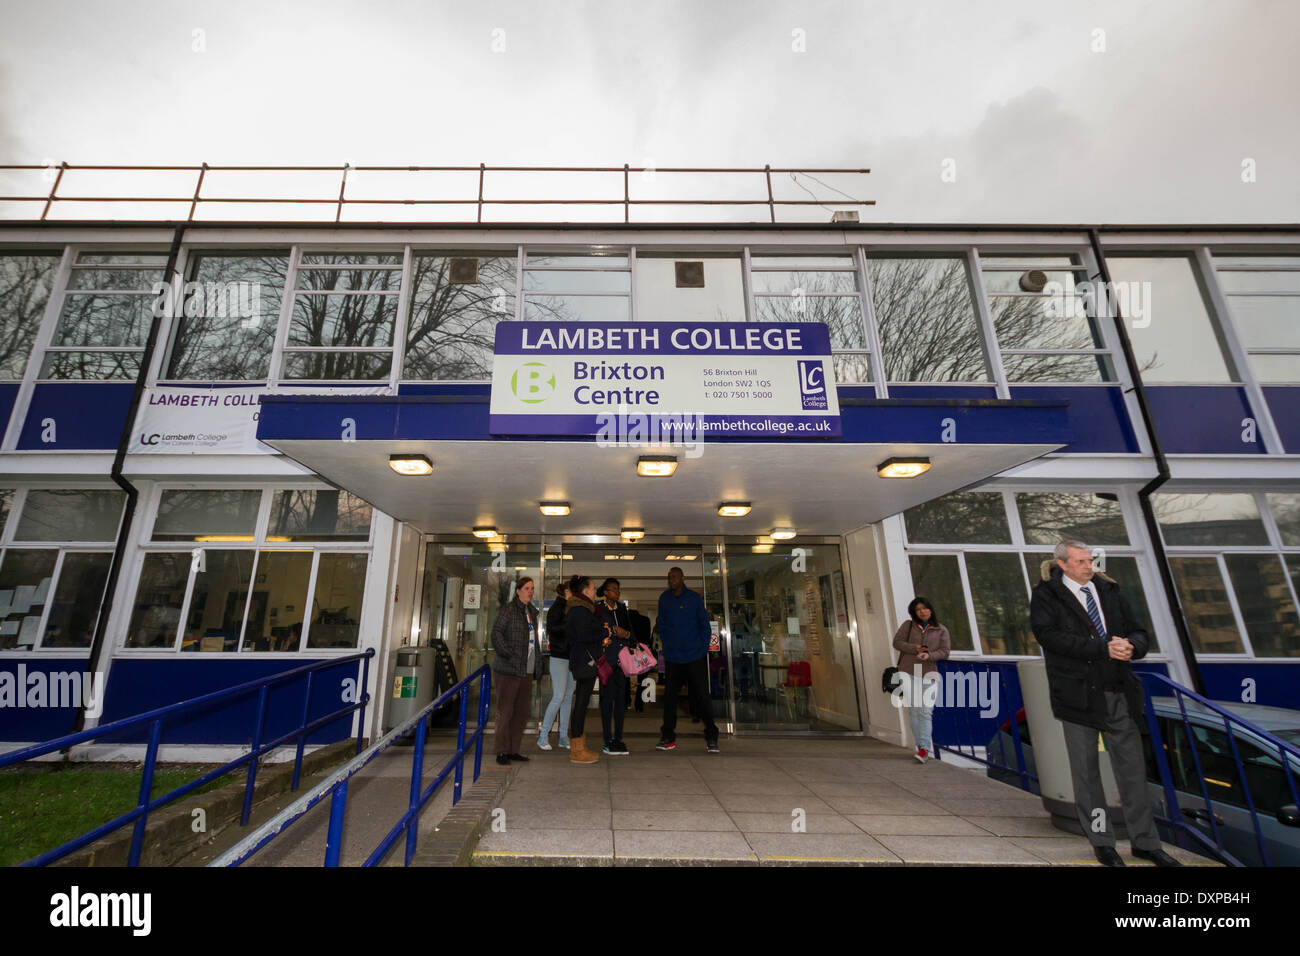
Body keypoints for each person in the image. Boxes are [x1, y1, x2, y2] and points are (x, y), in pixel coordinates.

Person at [1030, 538, 1181, 868]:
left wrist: (1132, 646)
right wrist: (1102, 648)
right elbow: (1048, 637)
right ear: (1063, 565)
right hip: (1078, 696)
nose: (1089, 567)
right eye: (1082, 562)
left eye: (1090, 560)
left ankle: (1146, 843)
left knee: (1132, 770)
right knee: (1086, 773)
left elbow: (1139, 630)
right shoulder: (1046, 595)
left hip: (1118, 692)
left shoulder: (1109, 590)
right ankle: (1102, 842)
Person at [655, 566, 719, 753]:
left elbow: (704, 626)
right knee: (669, 699)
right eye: (669, 577)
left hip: (694, 657)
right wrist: (667, 647)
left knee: (702, 697)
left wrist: (701, 649)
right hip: (673, 658)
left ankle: (712, 736)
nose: (672, 579)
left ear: (683, 577)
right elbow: (662, 626)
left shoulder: (694, 598)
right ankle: (667, 736)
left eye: (675, 576)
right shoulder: (664, 599)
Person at [490, 577, 543, 766]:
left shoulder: (531, 613)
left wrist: (537, 666)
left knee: (521, 713)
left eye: (532, 588)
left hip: (526, 671)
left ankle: (513, 750)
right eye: (527, 588)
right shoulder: (509, 610)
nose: (530, 591)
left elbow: (533, 643)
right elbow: (496, 633)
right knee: (505, 711)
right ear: (518, 591)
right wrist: (508, 654)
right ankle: (501, 751)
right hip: (508, 669)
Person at [891, 597, 950, 762]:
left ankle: (924, 748)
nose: (922, 611)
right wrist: (914, 648)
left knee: (925, 711)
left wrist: (930, 655)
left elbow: (945, 651)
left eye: (925, 608)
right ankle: (920, 746)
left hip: (929, 673)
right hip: (909, 671)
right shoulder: (908, 626)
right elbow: (897, 642)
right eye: (918, 609)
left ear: (930, 609)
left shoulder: (941, 629)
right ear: (914, 613)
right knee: (914, 711)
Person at [564, 574, 605, 765]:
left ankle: (579, 746)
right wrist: (604, 631)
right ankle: (577, 751)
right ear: (585, 591)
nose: (596, 590)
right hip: (584, 661)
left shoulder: (581, 608)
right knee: (581, 704)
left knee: (581, 702)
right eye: (593, 587)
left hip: (583, 660)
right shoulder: (580, 610)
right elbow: (584, 635)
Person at [595, 578, 633, 755]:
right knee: (607, 703)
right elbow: (593, 632)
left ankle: (618, 738)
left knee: (620, 703)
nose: (617, 593)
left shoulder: (623, 610)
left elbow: (633, 637)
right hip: (606, 663)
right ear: (605, 592)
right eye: (613, 590)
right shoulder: (598, 610)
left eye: (618, 589)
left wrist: (625, 633)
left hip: (622, 663)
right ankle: (607, 740)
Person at [538, 583, 574, 751]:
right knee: (559, 696)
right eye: (573, 591)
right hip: (559, 657)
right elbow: (553, 629)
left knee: (567, 697)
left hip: (571, 657)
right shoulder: (556, 609)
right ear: (566, 592)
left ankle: (563, 736)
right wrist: (570, 623)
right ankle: (543, 736)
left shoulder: (572, 607)